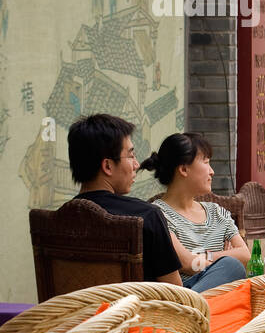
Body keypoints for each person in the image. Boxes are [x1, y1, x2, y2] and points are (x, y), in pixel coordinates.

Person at [68, 114, 182, 286]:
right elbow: (176, 291)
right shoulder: (146, 215)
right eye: (130, 156)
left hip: (78, 312)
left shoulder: (58, 220)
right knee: (228, 267)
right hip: (140, 312)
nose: (136, 164)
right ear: (107, 166)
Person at [140, 132, 251, 293]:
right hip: (185, 298)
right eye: (206, 162)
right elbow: (187, 263)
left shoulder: (217, 212)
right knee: (231, 265)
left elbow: (245, 255)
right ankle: (193, 309)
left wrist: (207, 256)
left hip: (225, 304)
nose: (212, 171)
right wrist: (224, 259)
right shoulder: (158, 215)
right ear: (184, 169)